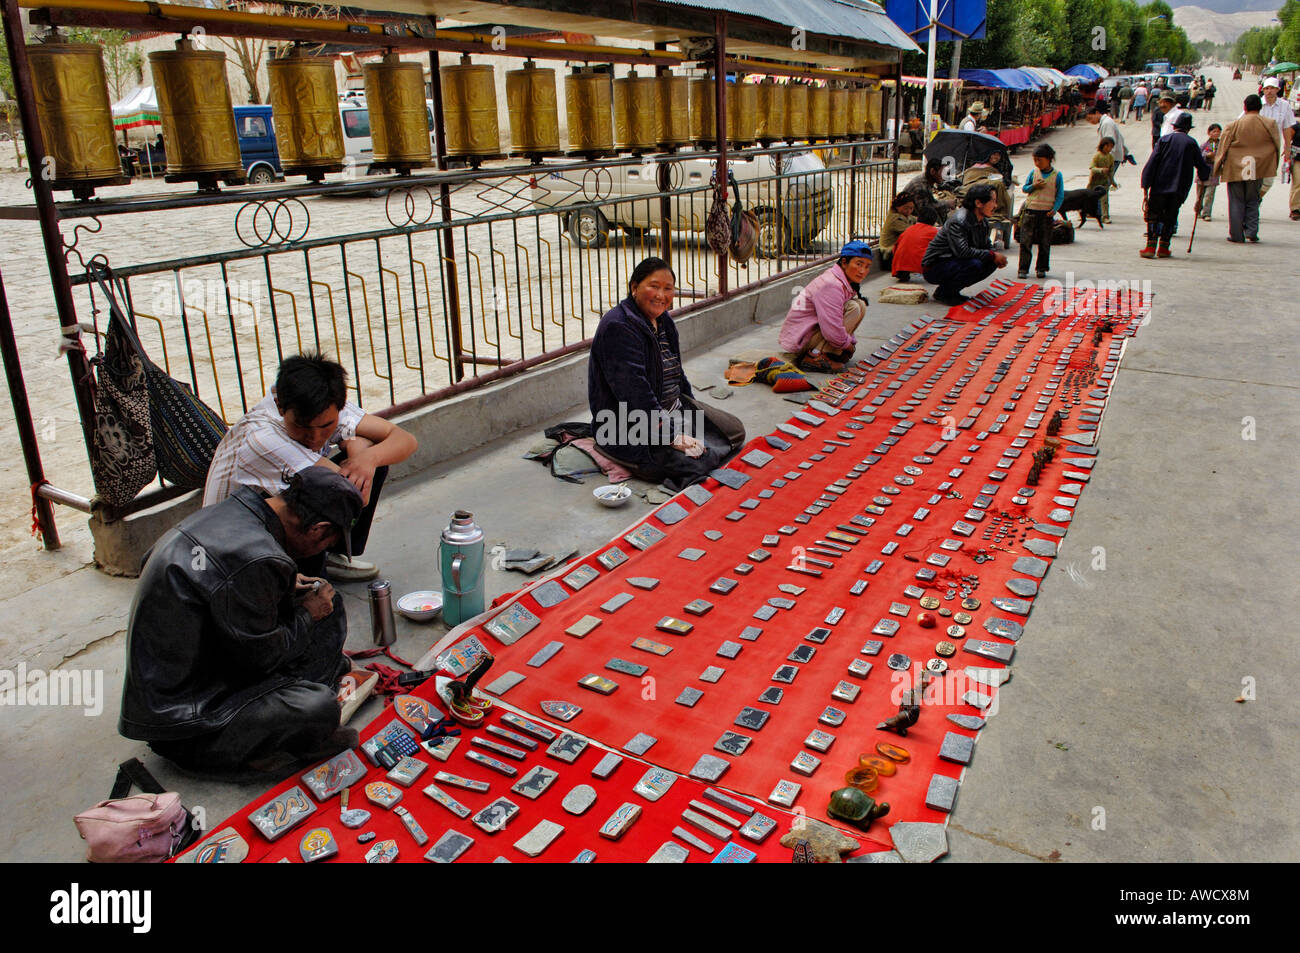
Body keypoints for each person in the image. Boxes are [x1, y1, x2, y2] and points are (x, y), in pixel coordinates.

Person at [120, 466, 363, 773]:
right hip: (185, 721)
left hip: (206, 666)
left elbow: (219, 584)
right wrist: (305, 613)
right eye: (326, 543)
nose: (322, 550)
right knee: (318, 707)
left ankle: (296, 703)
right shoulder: (258, 558)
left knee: (328, 603)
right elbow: (262, 659)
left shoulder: (238, 510)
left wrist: (285, 587)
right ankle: (273, 735)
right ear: (318, 529)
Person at [204, 353, 417, 582]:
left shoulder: (324, 402)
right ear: (280, 406)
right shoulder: (261, 438)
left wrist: (367, 459)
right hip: (231, 552)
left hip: (265, 522)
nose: (315, 436)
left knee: (370, 460)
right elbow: (350, 493)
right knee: (323, 499)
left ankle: (329, 556)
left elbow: (405, 440)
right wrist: (358, 450)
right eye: (302, 426)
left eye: (326, 426)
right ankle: (305, 581)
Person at [589, 257, 745, 489]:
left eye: (668, 289)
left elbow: (677, 373)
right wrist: (672, 437)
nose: (661, 295)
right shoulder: (618, 327)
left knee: (735, 431)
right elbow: (634, 393)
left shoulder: (664, 321)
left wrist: (693, 410)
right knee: (694, 463)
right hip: (627, 423)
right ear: (634, 287)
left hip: (672, 410)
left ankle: (683, 441)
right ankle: (621, 452)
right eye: (654, 286)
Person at [777, 242, 872, 373]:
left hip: (813, 332)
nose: (863, 271)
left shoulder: (842, 281)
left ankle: (828, 352)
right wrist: (847, 344)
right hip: (802, 338)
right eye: (859, 264)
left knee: (860, 305)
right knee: (854, 308)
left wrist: (848, 342)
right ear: (844, 263)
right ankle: (814, 356)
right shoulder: (831, 284)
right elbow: (831, 328)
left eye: (867, 267)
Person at [921, 184, 1009, 305]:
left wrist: (995, 255)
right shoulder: (959, 221)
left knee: (990, 262)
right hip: (935, 266)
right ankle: (946, 293)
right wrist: (992, 254)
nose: (995, 206)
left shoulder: (982, 221)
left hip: (953, 261)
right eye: (992, 201)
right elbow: (962, 251)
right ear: (978, 203)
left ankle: (947, 291)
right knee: (975, 264)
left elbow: (986, 245)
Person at [1140, 112, 1211, 258]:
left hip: (1159, 184)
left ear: (1175, 127)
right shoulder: (1191, 143)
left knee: (1154, 214)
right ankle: (1164, 248)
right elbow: (1201, 165)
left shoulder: (1164, 140)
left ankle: (1150, 247)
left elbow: (1153, 161)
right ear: (1188, 129)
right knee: (1171, 216)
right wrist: (1205, 174)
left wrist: (1146, 182)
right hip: (1179, 186)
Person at [1213, 95, 1281, 243]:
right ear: (1260, 107)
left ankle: (1236, 235)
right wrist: (1272, 164)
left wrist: (1216, 168)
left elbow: (1222, 149)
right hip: (1257, 167)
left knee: (1236, 201)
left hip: (1235, 168)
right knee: (1253, 199)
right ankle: (1251, 232)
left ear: (1244, 107)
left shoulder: (1233, 125)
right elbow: (1276, 145)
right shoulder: (1269, 124)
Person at [1017, 143, 1064, 279]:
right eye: (1035, 160)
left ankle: (1041, 268)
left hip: (1046, 213)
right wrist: (1034, 186)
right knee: (1025, 242)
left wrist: (1054, 210)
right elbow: (1025, 188)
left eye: (1040, 160)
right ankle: (1023, 269)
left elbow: (1060, 195)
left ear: (1049, 159)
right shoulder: (1033, 172)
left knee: (1044, 242)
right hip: (1030, 211)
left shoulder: (1057, 175)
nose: (1037, 163)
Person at [1256, 78, 1296, 202]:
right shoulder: (1256, 103)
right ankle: (1251, 204)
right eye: (1267, 88)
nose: (1269, 91)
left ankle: (1257, 199)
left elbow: (1287, 127)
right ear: (1263, 90)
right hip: (1256, 146)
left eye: (1272, 88)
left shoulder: (1285, 106)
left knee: (1268, 179)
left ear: (1277, 90)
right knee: (1254, 177)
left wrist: (1287, 148)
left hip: (1273, 148)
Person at [890, 206, 941, 283]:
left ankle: (903, 271)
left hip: (900, 263)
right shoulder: (934, 231)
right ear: (934, 220)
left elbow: (895, 247)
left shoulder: (909, 229)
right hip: (920, 264)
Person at [901, 157, 955, 222]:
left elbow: (931, 202)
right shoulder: (919, 186)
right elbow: (925, 211)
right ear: (933, 171)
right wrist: (946, 204)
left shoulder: (927, 181)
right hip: (908, 220)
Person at [879, 193, 918, 266]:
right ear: (897, 207)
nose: (908, 211)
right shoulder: (895, 219)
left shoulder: (906, 216)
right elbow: (911, 232)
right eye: (906, 208)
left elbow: (919, 220)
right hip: (888, 254)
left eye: (911, 208)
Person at [1089, 136, 1117, 224]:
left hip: (1104, 183)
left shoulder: (1110, 157)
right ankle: (1085, 212)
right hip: (1094, 182)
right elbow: (1092, 168)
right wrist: (1101, 170)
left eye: (1112, 147)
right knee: (1089, 198)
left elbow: (1111, 171)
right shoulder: (1097, 156)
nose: (1110, 149)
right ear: (1104, 146)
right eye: (1109, 146)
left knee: (1105, 200)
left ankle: (1105, 216)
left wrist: (1113, 182)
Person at [1199, 123, 1222, 221]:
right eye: (1214, 131)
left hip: (1214, 173)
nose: (1216, 133)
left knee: (1209, 195)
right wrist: (1206, 155)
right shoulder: (1204, 145)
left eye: (1218, 131)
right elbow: (1198, 156)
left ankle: (1206, 213)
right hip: (1203, 173)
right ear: (1209, 133)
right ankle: (1198, 210)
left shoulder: (1222, 146)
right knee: (1200, 194)